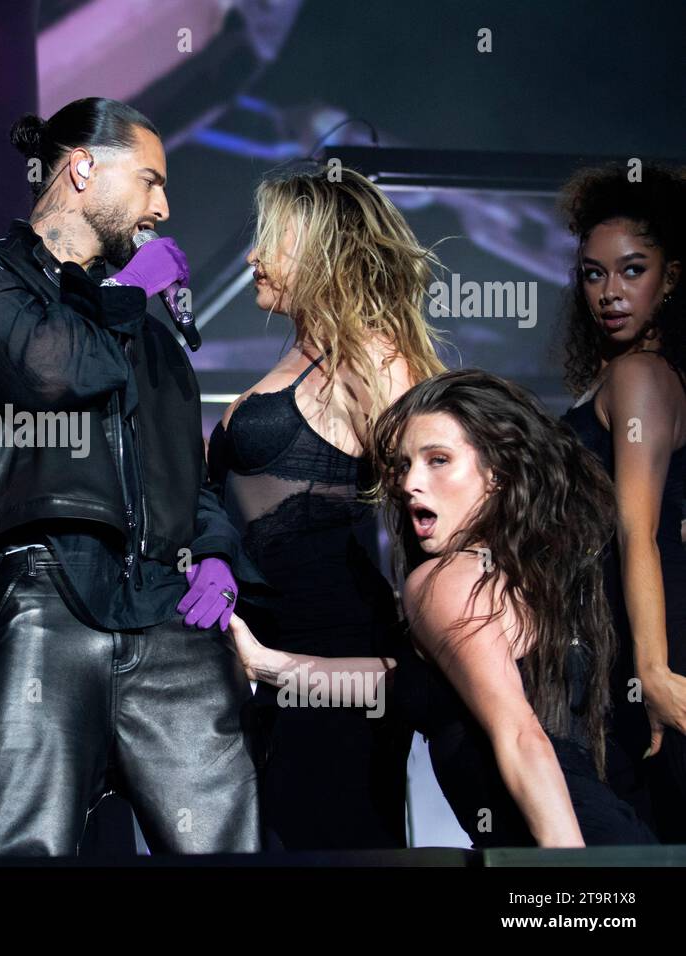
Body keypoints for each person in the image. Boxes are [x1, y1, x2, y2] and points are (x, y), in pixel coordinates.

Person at [0, 96, 260, 856]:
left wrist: (216, 555)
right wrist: (125, 295)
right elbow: (49, 370)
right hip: (40, 598)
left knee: (224, 850)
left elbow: (189, 485)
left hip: (166, 619)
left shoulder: (148, 334)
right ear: (81, 169)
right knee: (17, 847)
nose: (163, 208)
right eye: (150, 182)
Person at [230, 369, 656, 847]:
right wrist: (268, 664)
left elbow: (521, 736)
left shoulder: (446, 582)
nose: (411, 482)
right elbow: (404, 683)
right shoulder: (521, 576)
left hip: (566, 851)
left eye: (438, 460)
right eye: (404, 464)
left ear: (497, 475)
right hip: (607, 842)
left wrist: (567, 887)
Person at [207, 165, 444, 849]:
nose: (252, 257)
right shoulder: (298, 358)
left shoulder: (376, 359)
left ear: (319, 252)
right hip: (256, 660)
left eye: (268, 241)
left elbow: (441, 506)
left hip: (330, 654)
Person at [557, 163, 686, 841]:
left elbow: (638, 531)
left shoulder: (639, 373)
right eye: (593, 274)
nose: (609, 292)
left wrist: (654, 672)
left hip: (649, 641)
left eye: (632, 270)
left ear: (672, 278)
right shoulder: (632, 372)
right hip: (621, 637)